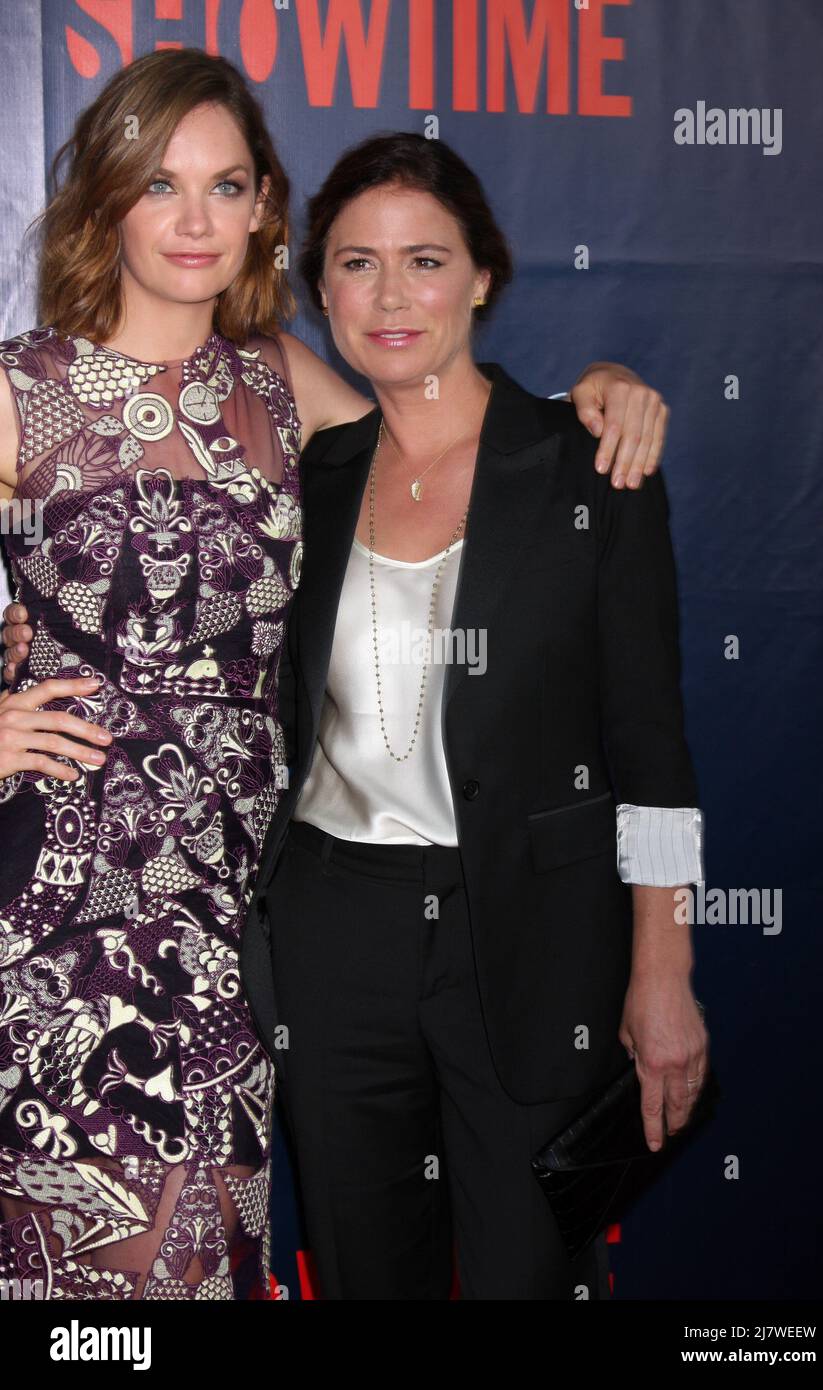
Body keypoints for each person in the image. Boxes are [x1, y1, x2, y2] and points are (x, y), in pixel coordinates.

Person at [0, 52, 664, 1299]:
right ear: (106, 202)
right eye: (158, 185)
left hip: (245, 910)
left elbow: (452, 428)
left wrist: (596, 396)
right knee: (85, 1261)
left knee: (204, 1245)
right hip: (66, 902)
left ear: (263, 207)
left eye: (226, 184)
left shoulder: (282, 386)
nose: (193, 220)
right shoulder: (20, 392)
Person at [237, 133, 710, 1301]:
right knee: (359, 1270)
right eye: (356, 264)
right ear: (321, 288)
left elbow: (650, 748)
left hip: (535, 936)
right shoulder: (307, 472)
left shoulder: (586, 465)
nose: (390, 295)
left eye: (425, 260)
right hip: (333, 933)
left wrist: (663, 968)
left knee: (523, 1271)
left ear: (482, 276)